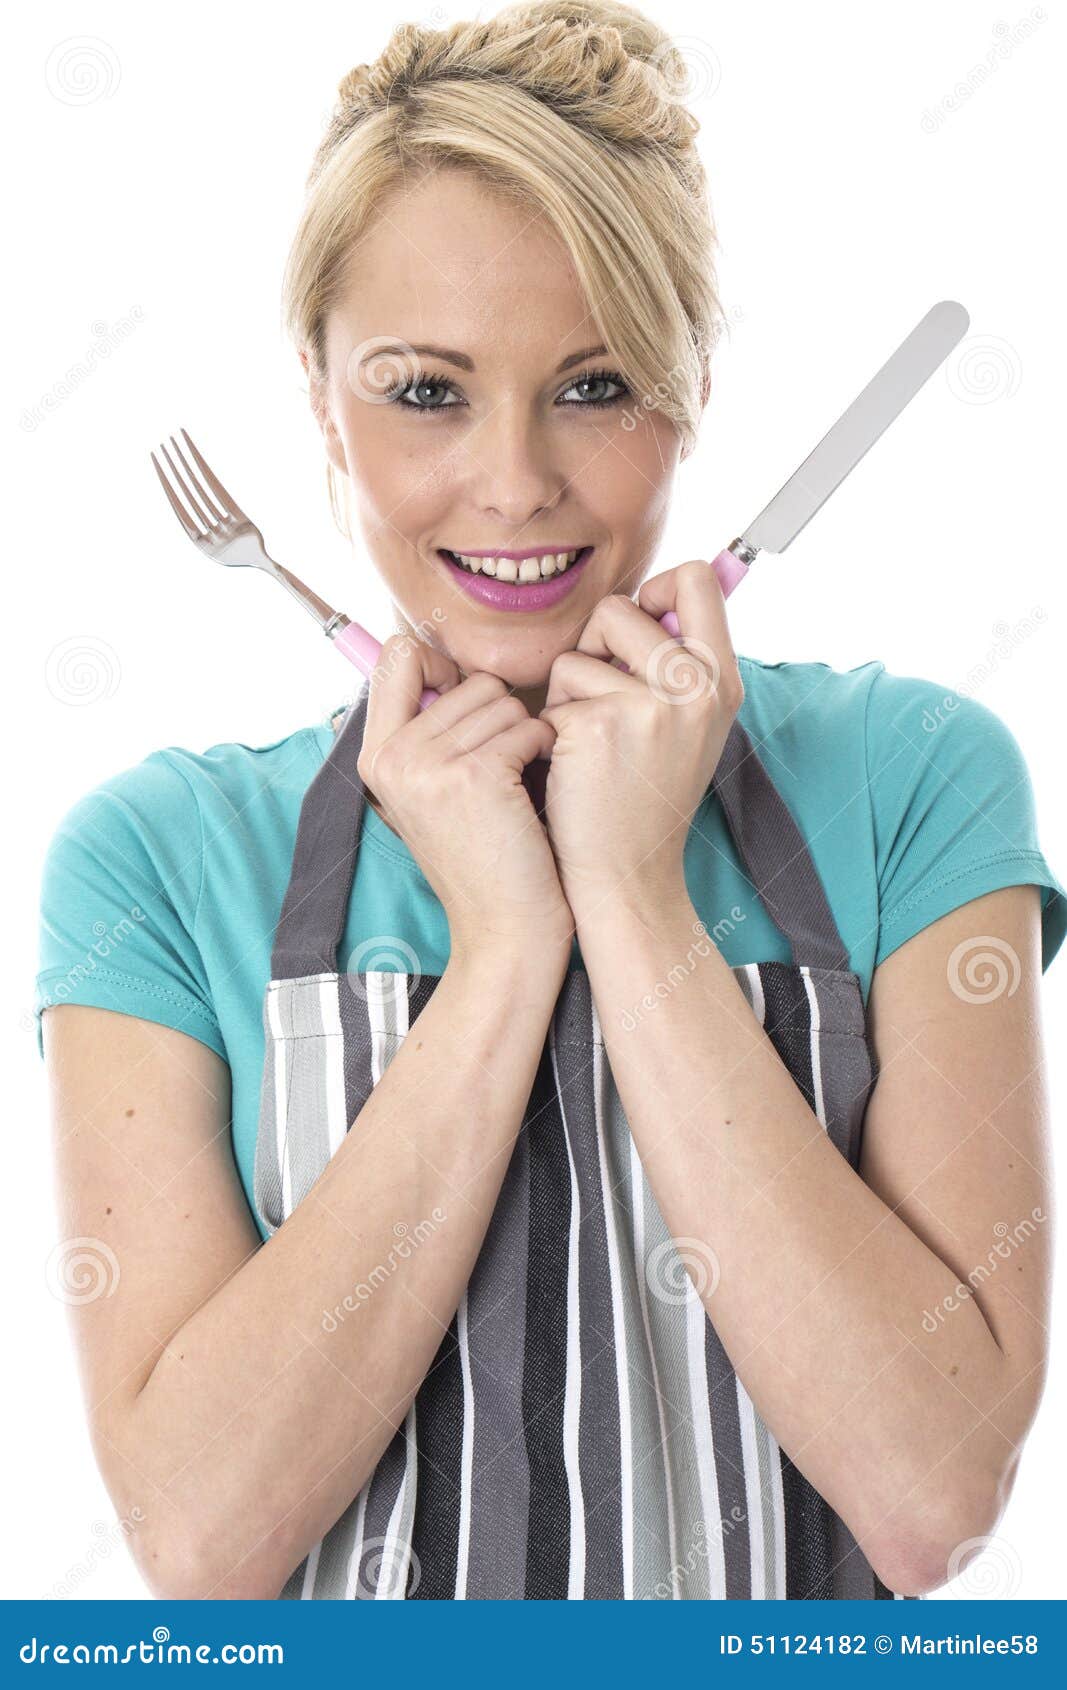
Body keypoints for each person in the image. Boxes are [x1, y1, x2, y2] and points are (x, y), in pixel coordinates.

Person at [36, 0, 1066, 1601]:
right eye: (425, 392)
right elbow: (202, 1538)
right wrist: (512, 937)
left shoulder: (917, 776)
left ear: (695, 384)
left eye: (595, 386)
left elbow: (933, 1489)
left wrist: (636, 895)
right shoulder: (156, 859)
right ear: (319, 396)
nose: (514, 484)